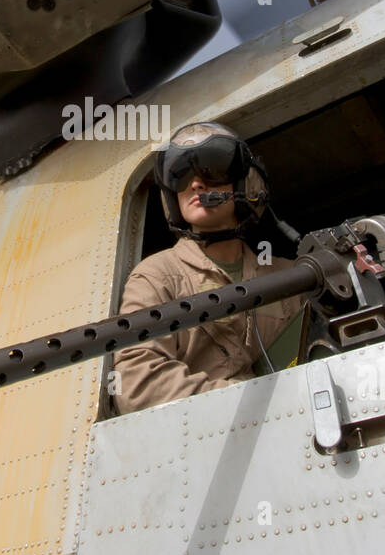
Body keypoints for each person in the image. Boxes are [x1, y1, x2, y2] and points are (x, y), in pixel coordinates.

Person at [111, 121, 307, 414]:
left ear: (246, 182)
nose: (196, 183)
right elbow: (138, 387)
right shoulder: (157, 276)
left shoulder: (290, 277)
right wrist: (255, 401)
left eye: (212, 168)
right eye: (180, 175)